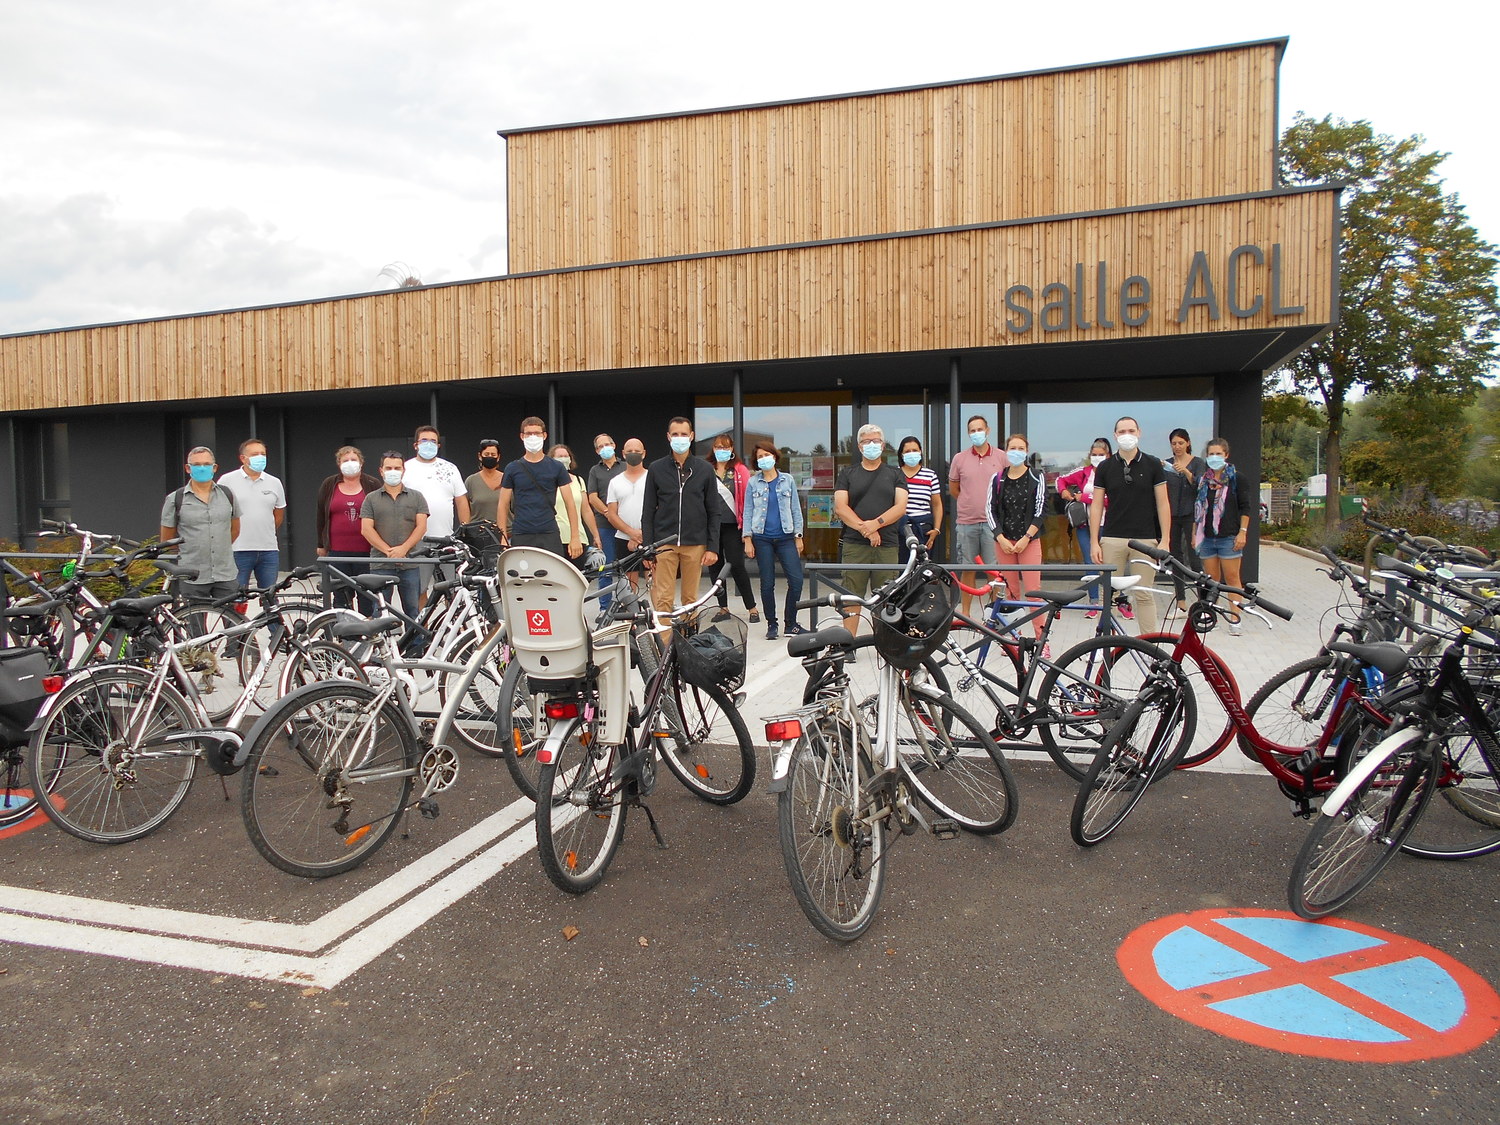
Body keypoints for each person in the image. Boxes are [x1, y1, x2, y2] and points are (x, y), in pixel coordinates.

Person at [1088, 416, 1171, 632]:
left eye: (1131, 430)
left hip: (1145, 539)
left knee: (1144, 594)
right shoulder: (1105, 467)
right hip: (1113, 538)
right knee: (1109, 594)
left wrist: (1165, 540)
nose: (1127, 435)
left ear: (1139, 432)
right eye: (1122, 431)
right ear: (1115, 435)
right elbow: (1097, 506)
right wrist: (1095, 542)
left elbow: (1163, 504)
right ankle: (1104, 646)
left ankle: (1151, 647)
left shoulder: (1153, 464)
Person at [641, 417, 720, 630]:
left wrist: (712, 547)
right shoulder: (656, 469)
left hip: (695, 543)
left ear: (692, 436)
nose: (679, 438)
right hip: (664, 543)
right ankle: (664, 647)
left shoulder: (704, 469)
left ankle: (688, 643)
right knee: (663, 599)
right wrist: (648, 546)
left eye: (684, 434)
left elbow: (714, 511)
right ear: (668, 437)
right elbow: (648, 511)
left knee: (690, 599)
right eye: (675, 434)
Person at [833, 423, 907, 636]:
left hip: (887, 545)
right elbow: (841, 507)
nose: (871, 445)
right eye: (866, 441)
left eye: (875, 441)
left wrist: (877, 523)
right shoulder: (847, 474)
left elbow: (900, 506)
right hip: (855, 545)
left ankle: (883, 644)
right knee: (851, 596)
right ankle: (848, 643)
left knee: (886, 598)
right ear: (859, 446)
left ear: (883, 445)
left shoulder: (895, 474)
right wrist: (867, 530)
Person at [159, 445, 240, 603]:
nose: (202, 468)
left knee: (233, 623)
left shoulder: (227, 494)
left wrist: (217, 546)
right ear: (188, 468)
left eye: (206, 464)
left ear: (214, 467)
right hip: (192, 575)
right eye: (196, 465)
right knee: (195, 624)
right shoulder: (175, 498)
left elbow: (235, 529)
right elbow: (167, 539)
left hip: (225, 573)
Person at [743, 440, 806, 640]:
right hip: (762, 538)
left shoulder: (787, 480)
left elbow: (796, 509)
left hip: (786, 537)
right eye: (760, 457)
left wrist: (798, 536)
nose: (764, 459)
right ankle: (772, 624)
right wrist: (747, 538)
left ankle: (791, 623)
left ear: (775, 456)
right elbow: (747, 511)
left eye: (767, 455)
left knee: (796, 580)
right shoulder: (753, 482)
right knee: (767, 583)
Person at [1194, 437, 1257, 635]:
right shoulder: (1204, 480)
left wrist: (1243, 532)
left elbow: (1245, 508)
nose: (1214, 457)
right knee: (1211, 579)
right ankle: (1210, 614)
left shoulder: (1237, 478)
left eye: (1218, 454)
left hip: (1229, 536)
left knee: (1232, 579)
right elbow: (1199, 509)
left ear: (1226, 455)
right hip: (1207, 537)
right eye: (1211, 454)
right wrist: (1194, 533)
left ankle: (1235, 617)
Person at [496, 417, 582, 560]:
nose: (533, 437)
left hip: (549, 533)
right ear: (522, 436)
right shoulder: (513, 468)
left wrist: (575, 537)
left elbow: (570, 503)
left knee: (553, 578)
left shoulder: (557, 467)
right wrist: (503, 537)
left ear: (544, 435)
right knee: (523, 579)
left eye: (537, 433)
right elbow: (502, 504)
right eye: (528, 434)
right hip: (521, 533)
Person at [988, 434, 1046, 643]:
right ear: (1006, 450)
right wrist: (1000, 538)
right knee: (1011, 593)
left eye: (1020, 448)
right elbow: (990, 510)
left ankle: (1041, 640)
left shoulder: (1036, 477)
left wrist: (1026, 537)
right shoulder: (997, 478)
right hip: (1004, 543)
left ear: (1026, 451)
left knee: (1033, 593)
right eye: (1012, 447)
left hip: (1028, 542)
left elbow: (1040, 511)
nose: (1016, 451)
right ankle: (1012, 638)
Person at [403, 425, 470, 605]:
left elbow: (461, 500)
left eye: (433, 441)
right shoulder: (405, 468)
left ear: (439, 445)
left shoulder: (450, 468)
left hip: (446, 540)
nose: (429, 444)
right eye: (424, 440)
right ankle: (421, 630)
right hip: (417, 541)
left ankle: (454, 628)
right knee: (419, 588)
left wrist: (465, 532)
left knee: (452, 588)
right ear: (416, 444)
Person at [360, 452, 428, 616]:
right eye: (388, 468)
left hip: (409, 564)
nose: (393, 471)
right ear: (381, 471)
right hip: (380, 564)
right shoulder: (370, 499)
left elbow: (421, 527)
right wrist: (389, 551)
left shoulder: (417, 497)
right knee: (379, 611)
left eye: (397, 468)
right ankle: (380, 642)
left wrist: (403, 549)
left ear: (403, 470)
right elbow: (366, 529)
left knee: (412, 611)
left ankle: (415, 643)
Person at [217, 437, 287, 599]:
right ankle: (235, 625)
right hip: (237, 550)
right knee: (235, 598)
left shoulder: (274, 482)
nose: (260, 457)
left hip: (268, 550)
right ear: (243, 458)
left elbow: (278, 515)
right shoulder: (227, 481)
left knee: (270, 597)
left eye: (263, 453)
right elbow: (219, 513)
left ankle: (273, 625)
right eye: (255, 454)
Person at [315, 445, 381, 609]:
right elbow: (321, 515)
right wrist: (321, 544)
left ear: (361, 463)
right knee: (341, 595)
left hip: (366, 552)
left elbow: (380, 514)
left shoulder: (372, 483)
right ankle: (345, 633)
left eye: (353, 460)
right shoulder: (329, 484)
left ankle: (366, 632)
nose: (350, 463)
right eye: (345, 460)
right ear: (339, 463)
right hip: (338, 552)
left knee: (366, 595)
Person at [949, 414, 1002, 616]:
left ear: (987, 431)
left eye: (980, 429)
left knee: (993, 572)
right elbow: (954, 487)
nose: (976, 433)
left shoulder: (1001, 457)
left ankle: (994, 614)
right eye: (972, 430)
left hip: (992, 523)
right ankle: (966, 613)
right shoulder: (959, 459)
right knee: (967, 569)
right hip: (966, 522)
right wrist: (968, 501)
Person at [1056, 437, 1112, 619]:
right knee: (1090, 561)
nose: (1097, 457)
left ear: (1108, 455)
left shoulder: (1114, 472)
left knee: (1110, 563)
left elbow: (1111, 499)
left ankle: (1118, 601)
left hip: (1108, 524)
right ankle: (1094, 602)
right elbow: (1060, 480)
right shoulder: (1084, 472)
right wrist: (1064, 491)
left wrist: (1084, 498)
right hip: (1084, 524)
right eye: (1094, 455)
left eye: (1101, 455)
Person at [706, 435, 759, 623]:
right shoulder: (706, 469)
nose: (721, 450)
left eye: (725, 447)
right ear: (713, 448)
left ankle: (752, 607)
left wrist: (747, 532)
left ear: (732, 449)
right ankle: (723, 608)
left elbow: (747, 500)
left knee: (737, 565)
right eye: (718, 446)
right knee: (715, 567)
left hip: (733, 526)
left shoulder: (740, 470)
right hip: (711, 526)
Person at [1165, 427, 1207, 611]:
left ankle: (1202, 601)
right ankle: (1180, 601)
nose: (1177, 447)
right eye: (1174, 443)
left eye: (1180, 443)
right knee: (1175, 558)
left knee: (1195, 557)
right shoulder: (1167, 464)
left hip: (1192, 515)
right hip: (1172, 515)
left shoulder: (1197, 462)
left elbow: (1202, 486)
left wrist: (1187, 472)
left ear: (1188, 443)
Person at [587, 434, 627, 609]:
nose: (605, 448)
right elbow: (592, 496)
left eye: (608, 444)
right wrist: (608, 513)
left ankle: (628, 604)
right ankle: (605, 607)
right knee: (605, 567)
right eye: (600, 446)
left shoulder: (626, 467)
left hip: (626, 525)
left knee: (629, 567)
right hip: (604, 525)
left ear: (614, 445)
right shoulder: (595, 471)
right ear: (597, 451)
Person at [604, 438, 649, 590]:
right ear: (623, 454)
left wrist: (643, 534)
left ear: (644, 454)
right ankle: (631, 613)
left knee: (655, 581)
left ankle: (659, 614)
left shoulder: (652, 478)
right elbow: (612, 514)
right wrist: (631, 533)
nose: (633, 454)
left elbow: (659, 509)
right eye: (629, 451)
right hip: (624, 538)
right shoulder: (615, 482)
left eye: (637, 451)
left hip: (650, 537)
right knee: (629, 584)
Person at [549, 444, 604, 566]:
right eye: (559, 456)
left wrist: (596, 535)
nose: (563, 459)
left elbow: (586, 510)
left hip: (578, 539)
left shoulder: (578, 480)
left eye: (565, 456)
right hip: (555, 538)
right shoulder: (547, 481)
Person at [896, 436, 943, 563]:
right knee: (901, 571)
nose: (912, 454)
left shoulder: (930, 475)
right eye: (907, 451)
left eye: (915, 450)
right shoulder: (894, 474)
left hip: (923, 531)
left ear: (921, 452)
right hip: (899, 530)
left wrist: (936, 530)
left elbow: (937, 504)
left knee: (921, 572)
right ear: (901, 454)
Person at [464, 438, 505, 524]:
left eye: (493, 454)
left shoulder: (507, 479)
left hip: (506, 534)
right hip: (478, 533)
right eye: (486, 454)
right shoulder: (471, 481)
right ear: (480, 456)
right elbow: (465, 509)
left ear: (498, 457)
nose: (490, 457)